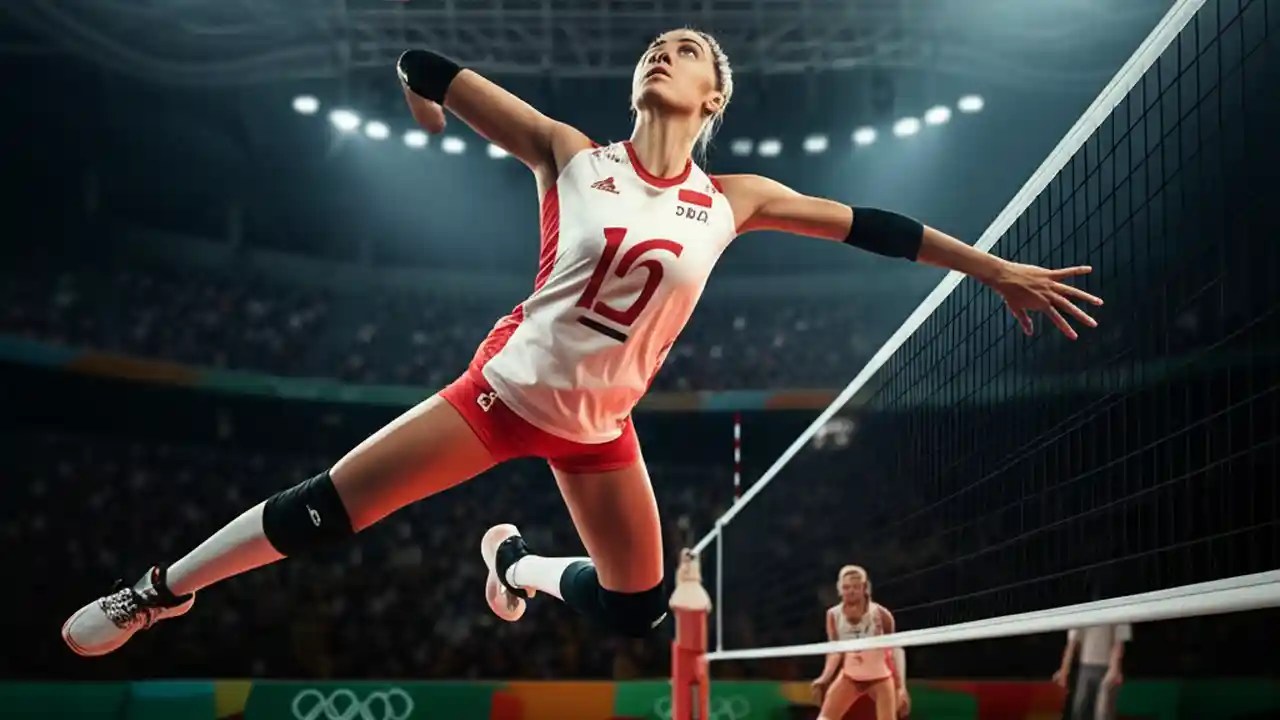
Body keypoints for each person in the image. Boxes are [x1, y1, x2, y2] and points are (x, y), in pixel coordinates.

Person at [61, 27, 1104, 658]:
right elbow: (423, 60)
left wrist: (992, 268)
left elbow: (873, 226)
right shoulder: (569, 154)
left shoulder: (733, 199)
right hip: (497, 397)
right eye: (656, 46)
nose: (664, 51)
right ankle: (157, 592)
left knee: (635, 613)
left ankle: (513, 565)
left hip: (599, 429)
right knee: (325, 510)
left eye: (686, 51)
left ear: (713, 98)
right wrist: (421, 99)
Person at [812, 566, 908, 720]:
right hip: (850, 677)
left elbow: (895, 650)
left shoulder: (881, 614)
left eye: (855, 587)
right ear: (840, 589)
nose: (850, 591)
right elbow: (835, 651)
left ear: (865, 588)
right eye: (846, 587)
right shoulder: (832, 615)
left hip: (880, 678)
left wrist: (901, 686)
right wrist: (824, 678)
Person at [1054, 623, 1130, 720]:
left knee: (1103, 712)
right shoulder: (1081, 612)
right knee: (1080, 708)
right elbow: (1072, 642)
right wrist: (1064, 670)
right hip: (1084, 667)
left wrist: (1114, 668)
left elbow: (1119, 640)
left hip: (1106, 667)